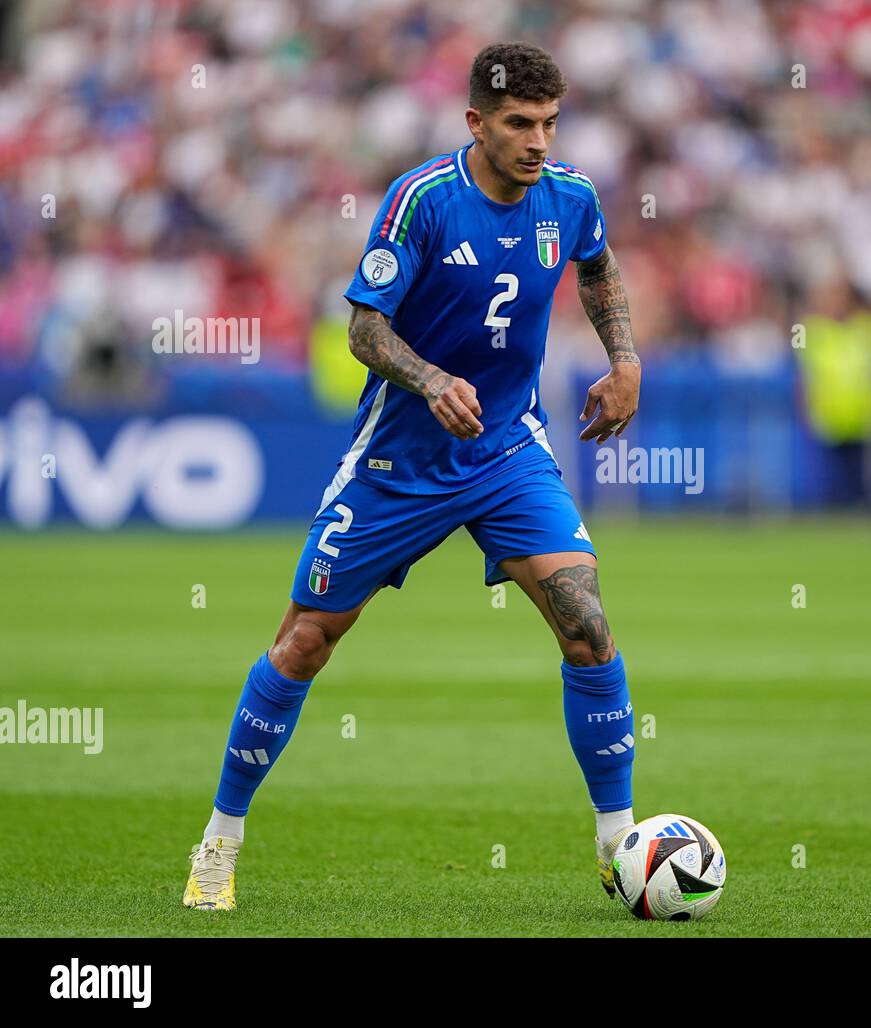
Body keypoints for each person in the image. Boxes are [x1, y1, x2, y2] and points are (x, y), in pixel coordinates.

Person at [182, 41, 642, 910]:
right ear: (476, 122)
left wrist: (625, 360)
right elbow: (363, 326)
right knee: (305, 642)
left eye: (549, 122)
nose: (538, 140)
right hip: (400, 462)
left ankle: (620, 846)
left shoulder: (572, 196)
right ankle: (219, 843)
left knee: (587, 622)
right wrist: (429, 380)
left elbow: (600, 267)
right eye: (518, 124)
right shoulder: (424, 200)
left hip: (507, 451)